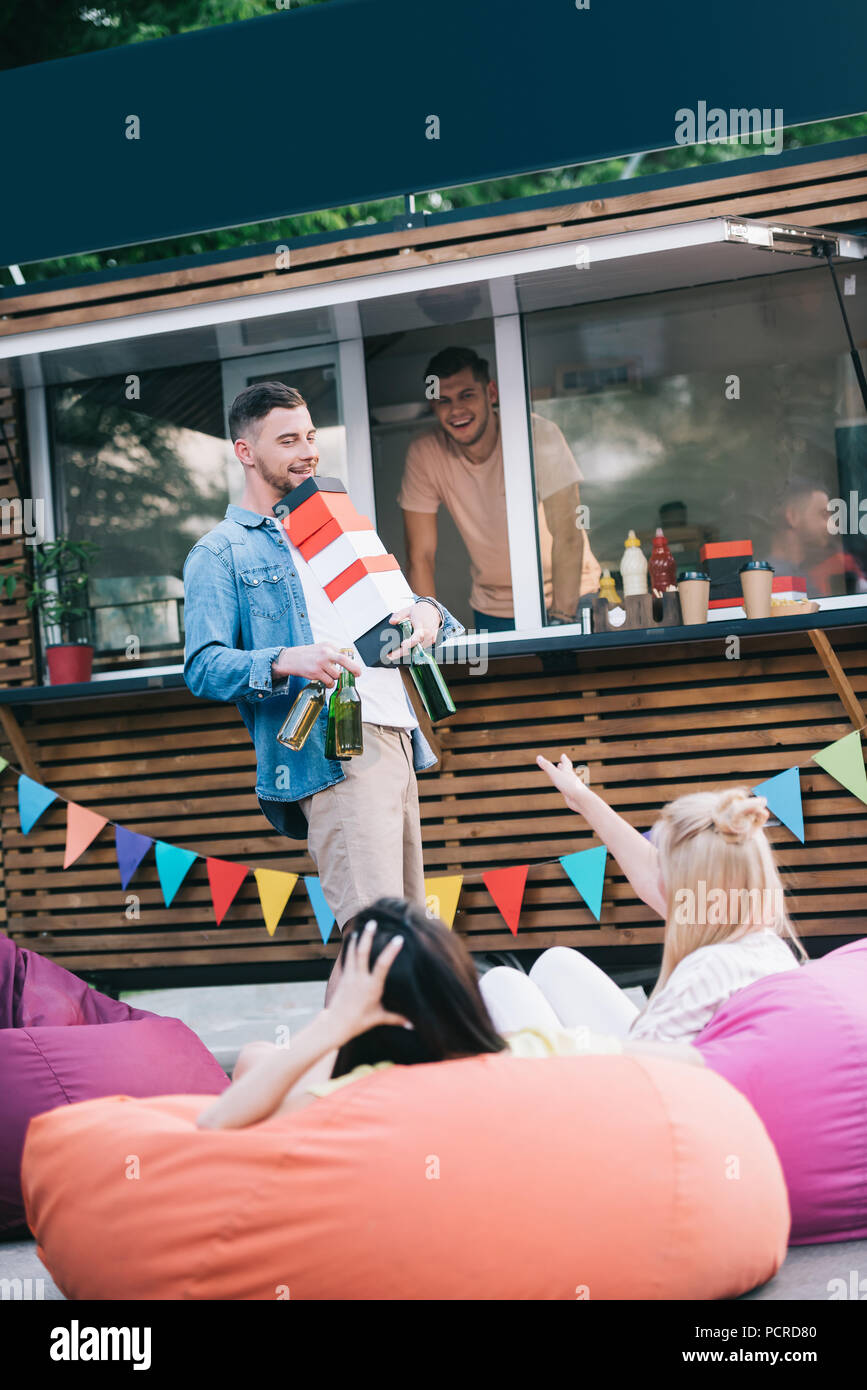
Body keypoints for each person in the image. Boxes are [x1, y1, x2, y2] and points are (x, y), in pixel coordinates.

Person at [183, 382, 463, 931]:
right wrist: (288, 659)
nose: (308, 450)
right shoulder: (219, 552)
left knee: (399, 938)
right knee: (378, 938)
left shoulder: (334, 523)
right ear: (245, 452)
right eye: (287, 440)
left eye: (310, 436)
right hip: (333, 751)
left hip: (398, 736)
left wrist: (430, 614)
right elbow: (202, 667)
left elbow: (403, 612)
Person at [196, 896, 688, 1131]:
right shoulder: (538, 1048)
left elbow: (217, 1123)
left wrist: (336, 1023)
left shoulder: (359, 1096)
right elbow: (688, 1063)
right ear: (457, 983)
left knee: (260, 1057)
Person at [479, 757, 806, 1046]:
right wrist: (581, 796)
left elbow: (637, 1070)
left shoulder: (708, 971)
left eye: (663, 861)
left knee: (500, 982)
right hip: (667, 1070)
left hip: (640, 1094)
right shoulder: (759, 942)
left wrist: (558, 1044)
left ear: (685, 886)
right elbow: (650, 876)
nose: (656, 872)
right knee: (556, 962)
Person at [398, 346, 601, 631]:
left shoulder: (538, 435)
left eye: (467, 395)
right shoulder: (425, 453)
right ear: (433, 406)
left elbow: (568, 533)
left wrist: (562, 619)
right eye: (444, 400)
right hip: (494, 607)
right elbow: (420, 556)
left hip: (572, 595)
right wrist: (425, 628)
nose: (456, 410)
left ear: (491, 393)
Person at [767, 477, 867, 597]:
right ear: (793, 517)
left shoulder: (800, 573)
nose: (832, 525)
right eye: (823, 514)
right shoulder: (777, 578)